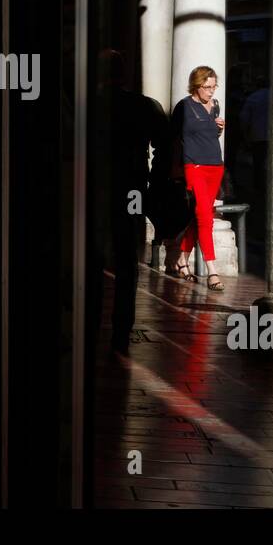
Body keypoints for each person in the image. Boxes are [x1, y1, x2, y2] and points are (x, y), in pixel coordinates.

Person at [92, 50, 170, 356]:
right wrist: (154, 181)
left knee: (92, 260)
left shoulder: (86, 104)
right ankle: (121, 332)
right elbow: (165, 146)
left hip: (95, 190)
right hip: (132, 190)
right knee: (126, 262)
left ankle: (91, 326)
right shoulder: (144, 105)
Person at [171, 65, 226, 290]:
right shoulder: (184, 107)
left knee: (200, 215)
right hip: (193, 165)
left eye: (214, 87)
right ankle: (212, 271)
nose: (211, 92)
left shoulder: (215, 106)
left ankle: (181, 259)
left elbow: (211, 134)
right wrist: (173, 168)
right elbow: (172, 138)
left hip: (215, 165)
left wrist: (219, 129)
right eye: (207, 87)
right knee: (205, 216)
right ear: (196, 85)